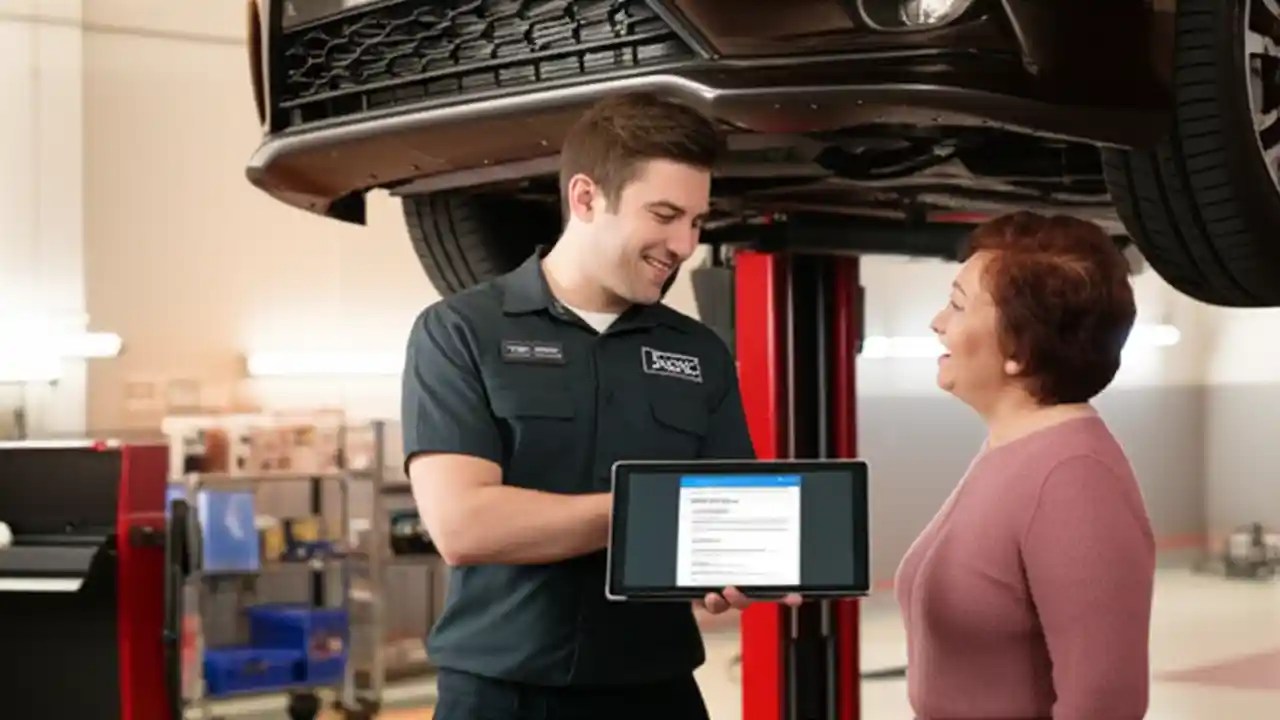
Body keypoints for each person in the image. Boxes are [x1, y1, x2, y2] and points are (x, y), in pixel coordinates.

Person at [400, 92, 793, 720]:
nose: (685, 244)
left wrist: (737, 564)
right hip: (502, 696)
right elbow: (463, 525)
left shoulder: (700, 353)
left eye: (696, 221)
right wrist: (653, 511)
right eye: (664, 215)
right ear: (586, 198)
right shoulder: (461, 332)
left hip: (657, 691)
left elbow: (720, 514)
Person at [894, 211, 1157, 720]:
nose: (937, 322)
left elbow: (1104, 705)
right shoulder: (1015, 449)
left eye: (956, 305)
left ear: (1020, 347)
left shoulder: (1075, 479)